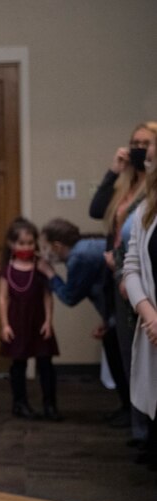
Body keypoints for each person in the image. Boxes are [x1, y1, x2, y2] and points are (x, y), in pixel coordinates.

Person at [89, 122, 157, 432]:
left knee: (142, 354)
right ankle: (136, 421)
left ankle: (143, 429)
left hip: (137, 277)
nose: (141, 148)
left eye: (147, 143)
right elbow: (96, 210)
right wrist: (113, 171)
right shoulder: (125, 184)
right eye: (135, 142)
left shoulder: (150, 189)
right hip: (119, 275)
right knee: (126, 350)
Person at [37, 218, 130, 417]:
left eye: (44, 248)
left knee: (120, 361)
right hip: (117, 313)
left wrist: (50, 274)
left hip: (123, 313)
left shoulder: (79, 257)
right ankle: (127, 409)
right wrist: (107, 321)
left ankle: (129, 411)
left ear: (57, 246)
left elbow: (70, 297)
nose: (42, 253)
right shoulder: (86, 247)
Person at [0, 218, 61, 420]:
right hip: (17, 323)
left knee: (45, 364)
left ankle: (50, 405)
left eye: (30, 243)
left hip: (38, 321)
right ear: (12, 244)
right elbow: (3, 298)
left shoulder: (40, 267)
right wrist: (5, 325)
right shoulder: (7, 270)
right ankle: (20, 403)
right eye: (22, 243)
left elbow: (47, 296)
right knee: (19, 364)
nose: (26, 247)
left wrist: (48, 321)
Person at [122, 133, 157, 470]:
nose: (145, 151)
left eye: (151, 145)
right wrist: (148, 312)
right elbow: (131, 265)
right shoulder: (147, 207)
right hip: (152, 325)